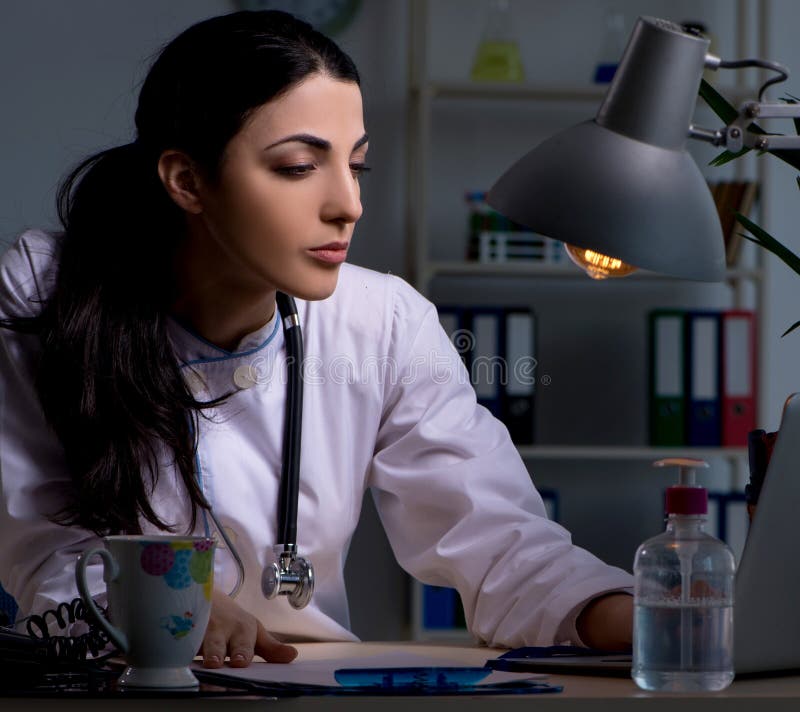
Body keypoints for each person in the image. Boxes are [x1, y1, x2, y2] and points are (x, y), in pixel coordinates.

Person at [0, 10, 633, 669]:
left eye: (356, 166)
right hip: (113, 682)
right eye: (300, 166)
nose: (347, 204)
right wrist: (161, 603)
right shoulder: (42, 291)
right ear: (187, 181)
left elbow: (500, 545)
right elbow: (40, 548)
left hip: (301, 684)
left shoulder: (384, 321)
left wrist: (633, 617)